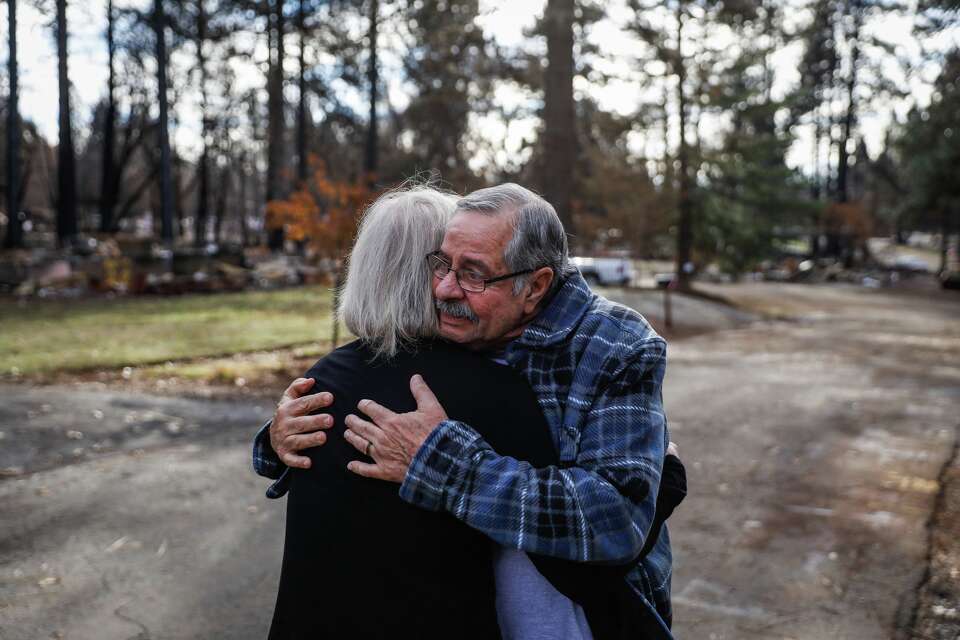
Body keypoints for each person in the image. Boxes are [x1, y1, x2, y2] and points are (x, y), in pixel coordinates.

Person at [257, 183, 683, 639]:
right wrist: (275, 442)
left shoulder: (613, 344)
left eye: (473, 274)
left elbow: (615, 523)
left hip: (584, 615)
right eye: (441, 264)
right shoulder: (455, 343)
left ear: (535, 285)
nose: (443, 289)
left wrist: (442, 463)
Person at [266, 185, 563, 639]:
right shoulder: (493, 392)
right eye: (444, 263)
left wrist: (269, 440)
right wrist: (664, 479)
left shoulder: (319, 381)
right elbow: (567, 529)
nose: (450, 282)